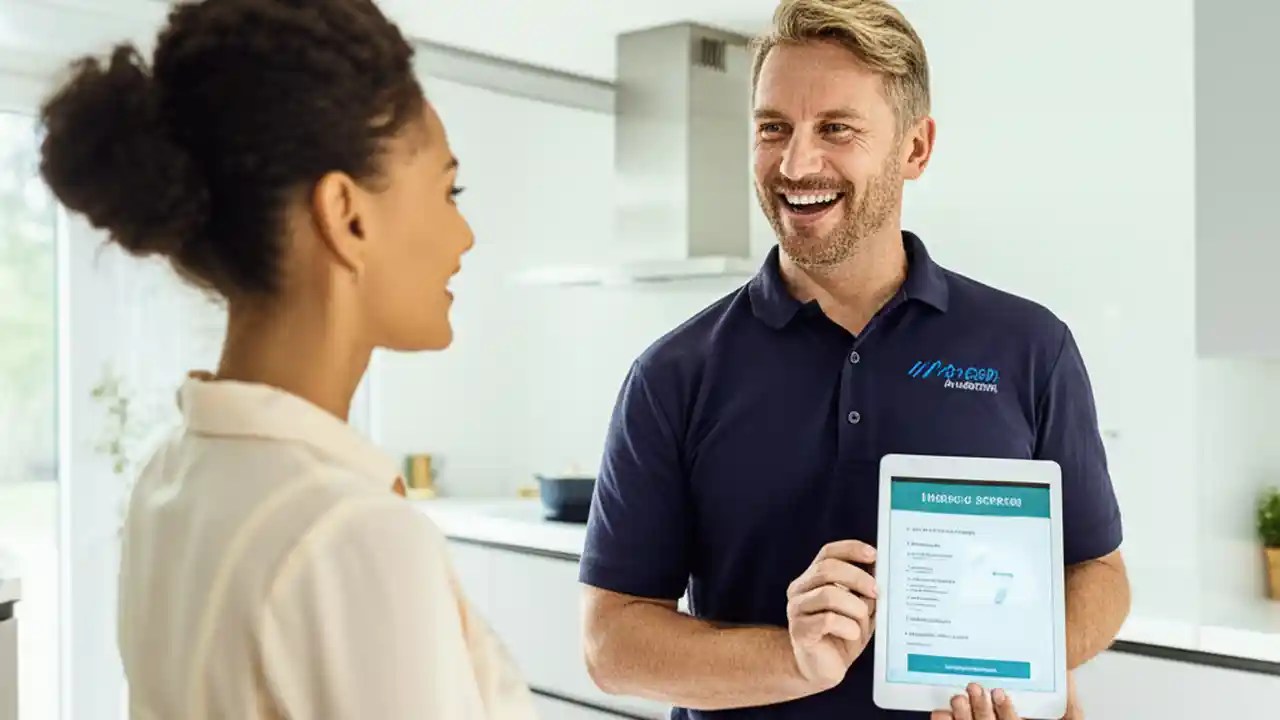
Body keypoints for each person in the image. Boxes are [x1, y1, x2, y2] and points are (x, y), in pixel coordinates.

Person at [579, 0, 1129, 718]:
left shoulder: (1029, 347)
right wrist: (791, 659)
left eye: (836, 128)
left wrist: (1010, 677)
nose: (796, 163)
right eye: (773, 127)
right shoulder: (673, 373)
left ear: (915, 149)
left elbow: (1099, 575)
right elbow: (611, 642)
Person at [37, 1, 537, 717]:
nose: (465, 236)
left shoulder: (171, 474)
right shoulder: (349, 532)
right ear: (347, 215)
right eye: (447, 191)